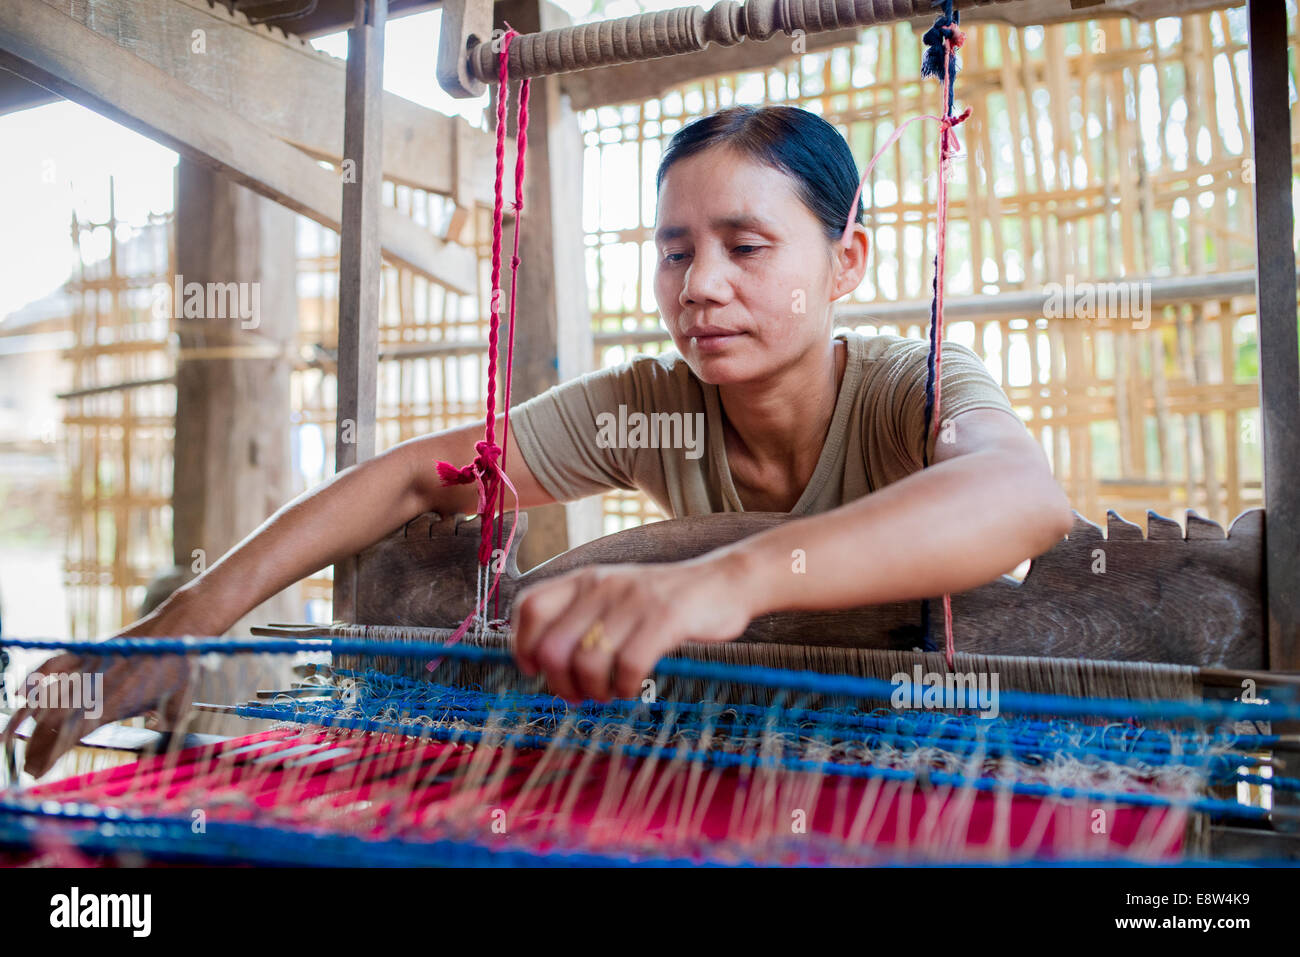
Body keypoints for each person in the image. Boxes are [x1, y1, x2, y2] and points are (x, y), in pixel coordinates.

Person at [5, 105, 1071, 777]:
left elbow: (1020, 495)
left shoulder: (908, 389)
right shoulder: (647, 402)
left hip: (931, 753)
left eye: (747, 246)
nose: (700, 287)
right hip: (747, 751)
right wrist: (181, 621)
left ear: (847, 264)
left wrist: (719, 581)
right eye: (674, 253)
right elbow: (419, 476)